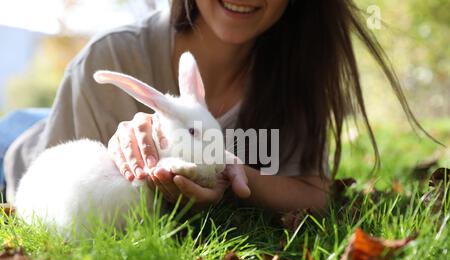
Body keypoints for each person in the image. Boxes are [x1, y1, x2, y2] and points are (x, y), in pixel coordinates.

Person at [0, 0, 427, 213]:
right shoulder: (107, 60)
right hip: (20, 144)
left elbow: (314, 193)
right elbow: (42, 191)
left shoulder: (293, 73)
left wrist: (227, 169)